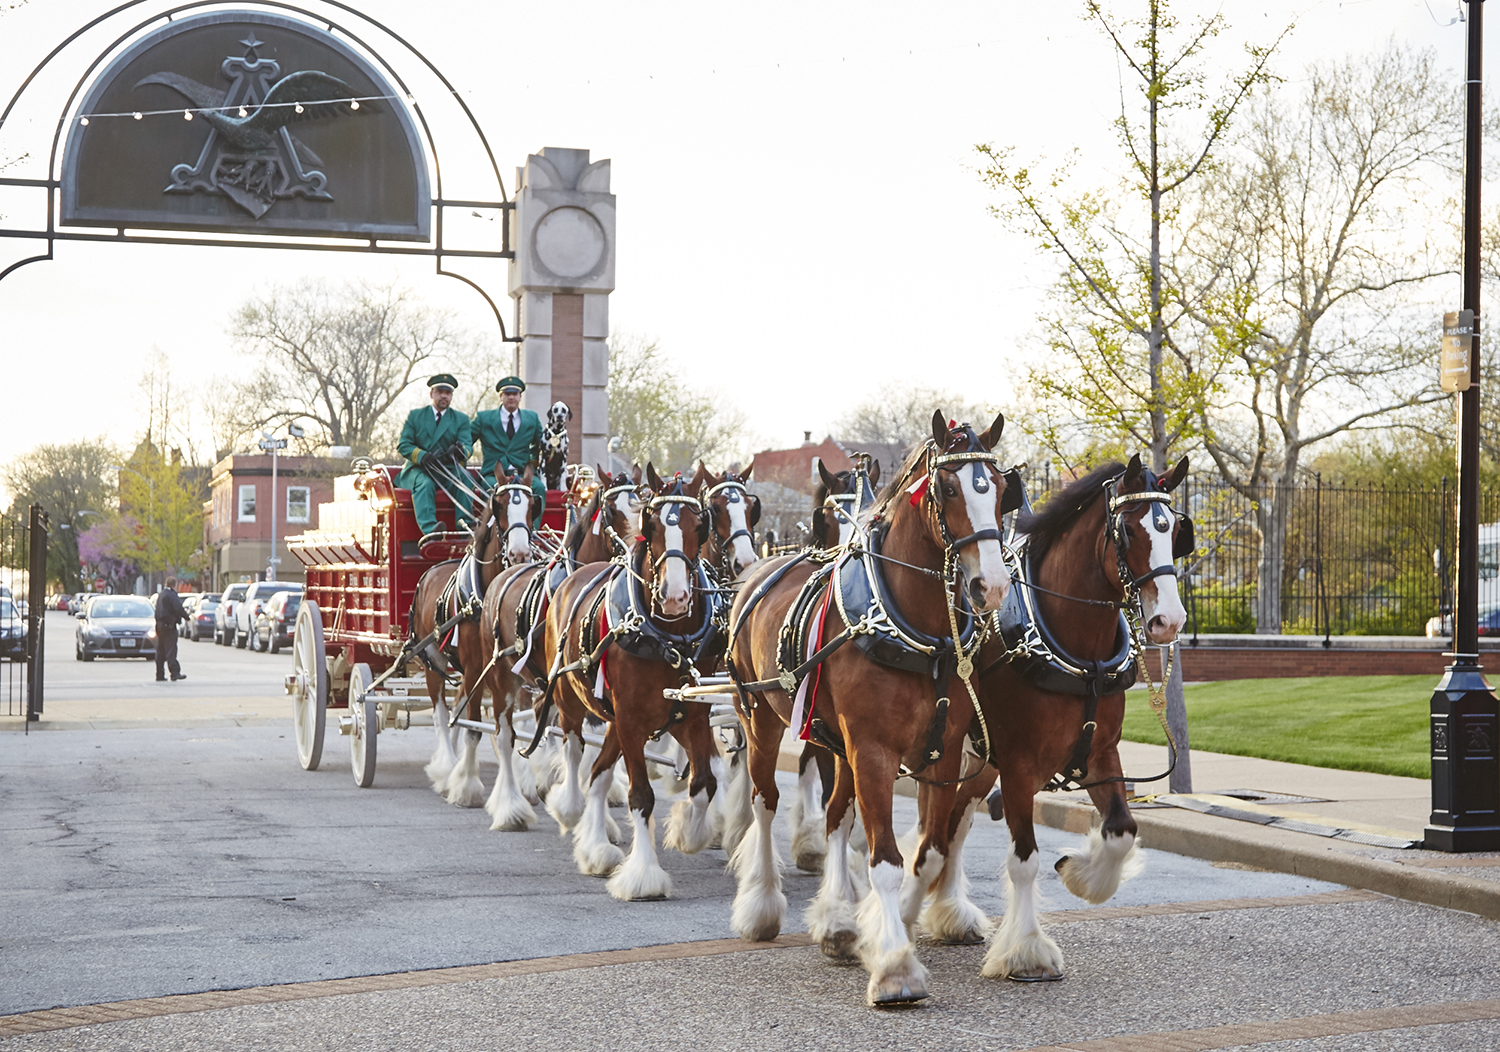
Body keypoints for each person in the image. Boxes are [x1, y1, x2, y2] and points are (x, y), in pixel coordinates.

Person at [396, 374, 474, 536]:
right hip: (419, 469)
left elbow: (467, 445)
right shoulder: (416, 416)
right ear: (431, 394)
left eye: (448, 392)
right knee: (425, 484)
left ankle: (465, 526)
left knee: (464, 479)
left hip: (447, 469)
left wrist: (460, 452)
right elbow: (403, 444)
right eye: (440, 391)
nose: (444, 395)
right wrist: (423, 456)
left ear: (451, 395)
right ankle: (431, 530)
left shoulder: (461, 419)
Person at [471, 376, 545, 523]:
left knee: (539, 488)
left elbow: (540, 445)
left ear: (520, 397)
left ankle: (532, 532)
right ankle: (494, 533)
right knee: (493, 489)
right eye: (507, 394)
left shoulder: (532, 418)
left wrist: (533, 465)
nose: (511, 397)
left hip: (523, 473)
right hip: (493, 473)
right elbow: (466, 440)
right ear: (500, 396)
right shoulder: (484, 418)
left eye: (515, 394)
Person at [154, 577, 187, 682]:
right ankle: (174, 672)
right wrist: (187, 617)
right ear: (174, 585)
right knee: (171, 649)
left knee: (161, 650)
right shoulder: (171, 595)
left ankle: (159, 674)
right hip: (169, 626)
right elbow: (178, 608)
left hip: (159, 625)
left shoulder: (161, 594)